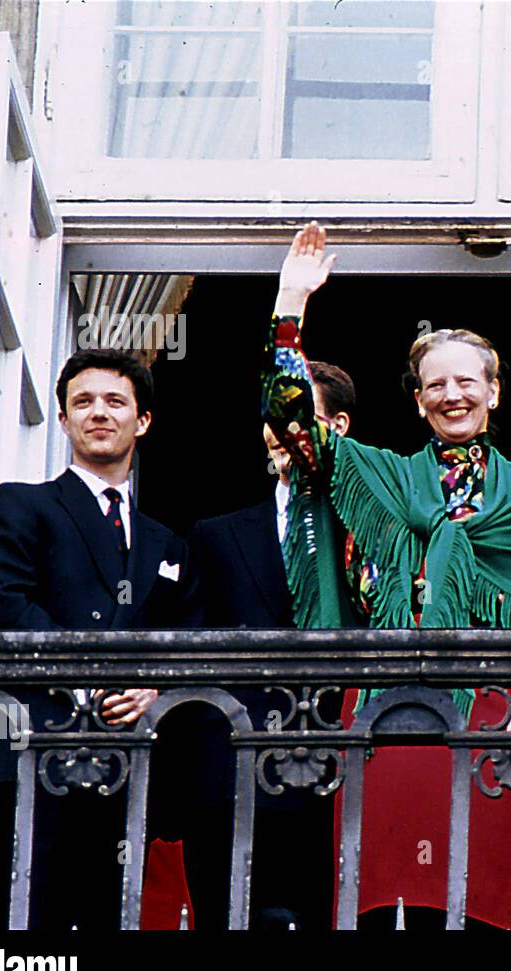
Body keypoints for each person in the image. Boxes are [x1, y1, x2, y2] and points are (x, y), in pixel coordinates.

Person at [262, 222, 511, 929]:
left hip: (491, 716)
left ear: (494, 392)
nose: (451, 394)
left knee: (484, 904)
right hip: (382, 712)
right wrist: (290, 305)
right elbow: (293, 418)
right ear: (418, 400)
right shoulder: (381, 476)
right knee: (382, 902)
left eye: (466, 380)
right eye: (436, 385)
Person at [0, 347, 199, 930]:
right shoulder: (23, 504)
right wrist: (91, 678)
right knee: (28, 932)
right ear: (65, 420)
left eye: (115, 401)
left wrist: (154, 687)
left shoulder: (168, 541)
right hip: (37, 753)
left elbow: (189, 638)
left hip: (134, 760)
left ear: (143, 420)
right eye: (83, 402)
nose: (100, 412)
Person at [179, 363, 354, 930]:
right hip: (229, 778)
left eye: (297, 417)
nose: (281, 432)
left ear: (339, 426)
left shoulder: (370, 528)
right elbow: (190, 657)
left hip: (341, 777)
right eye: (272, 419)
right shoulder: (215, 533)